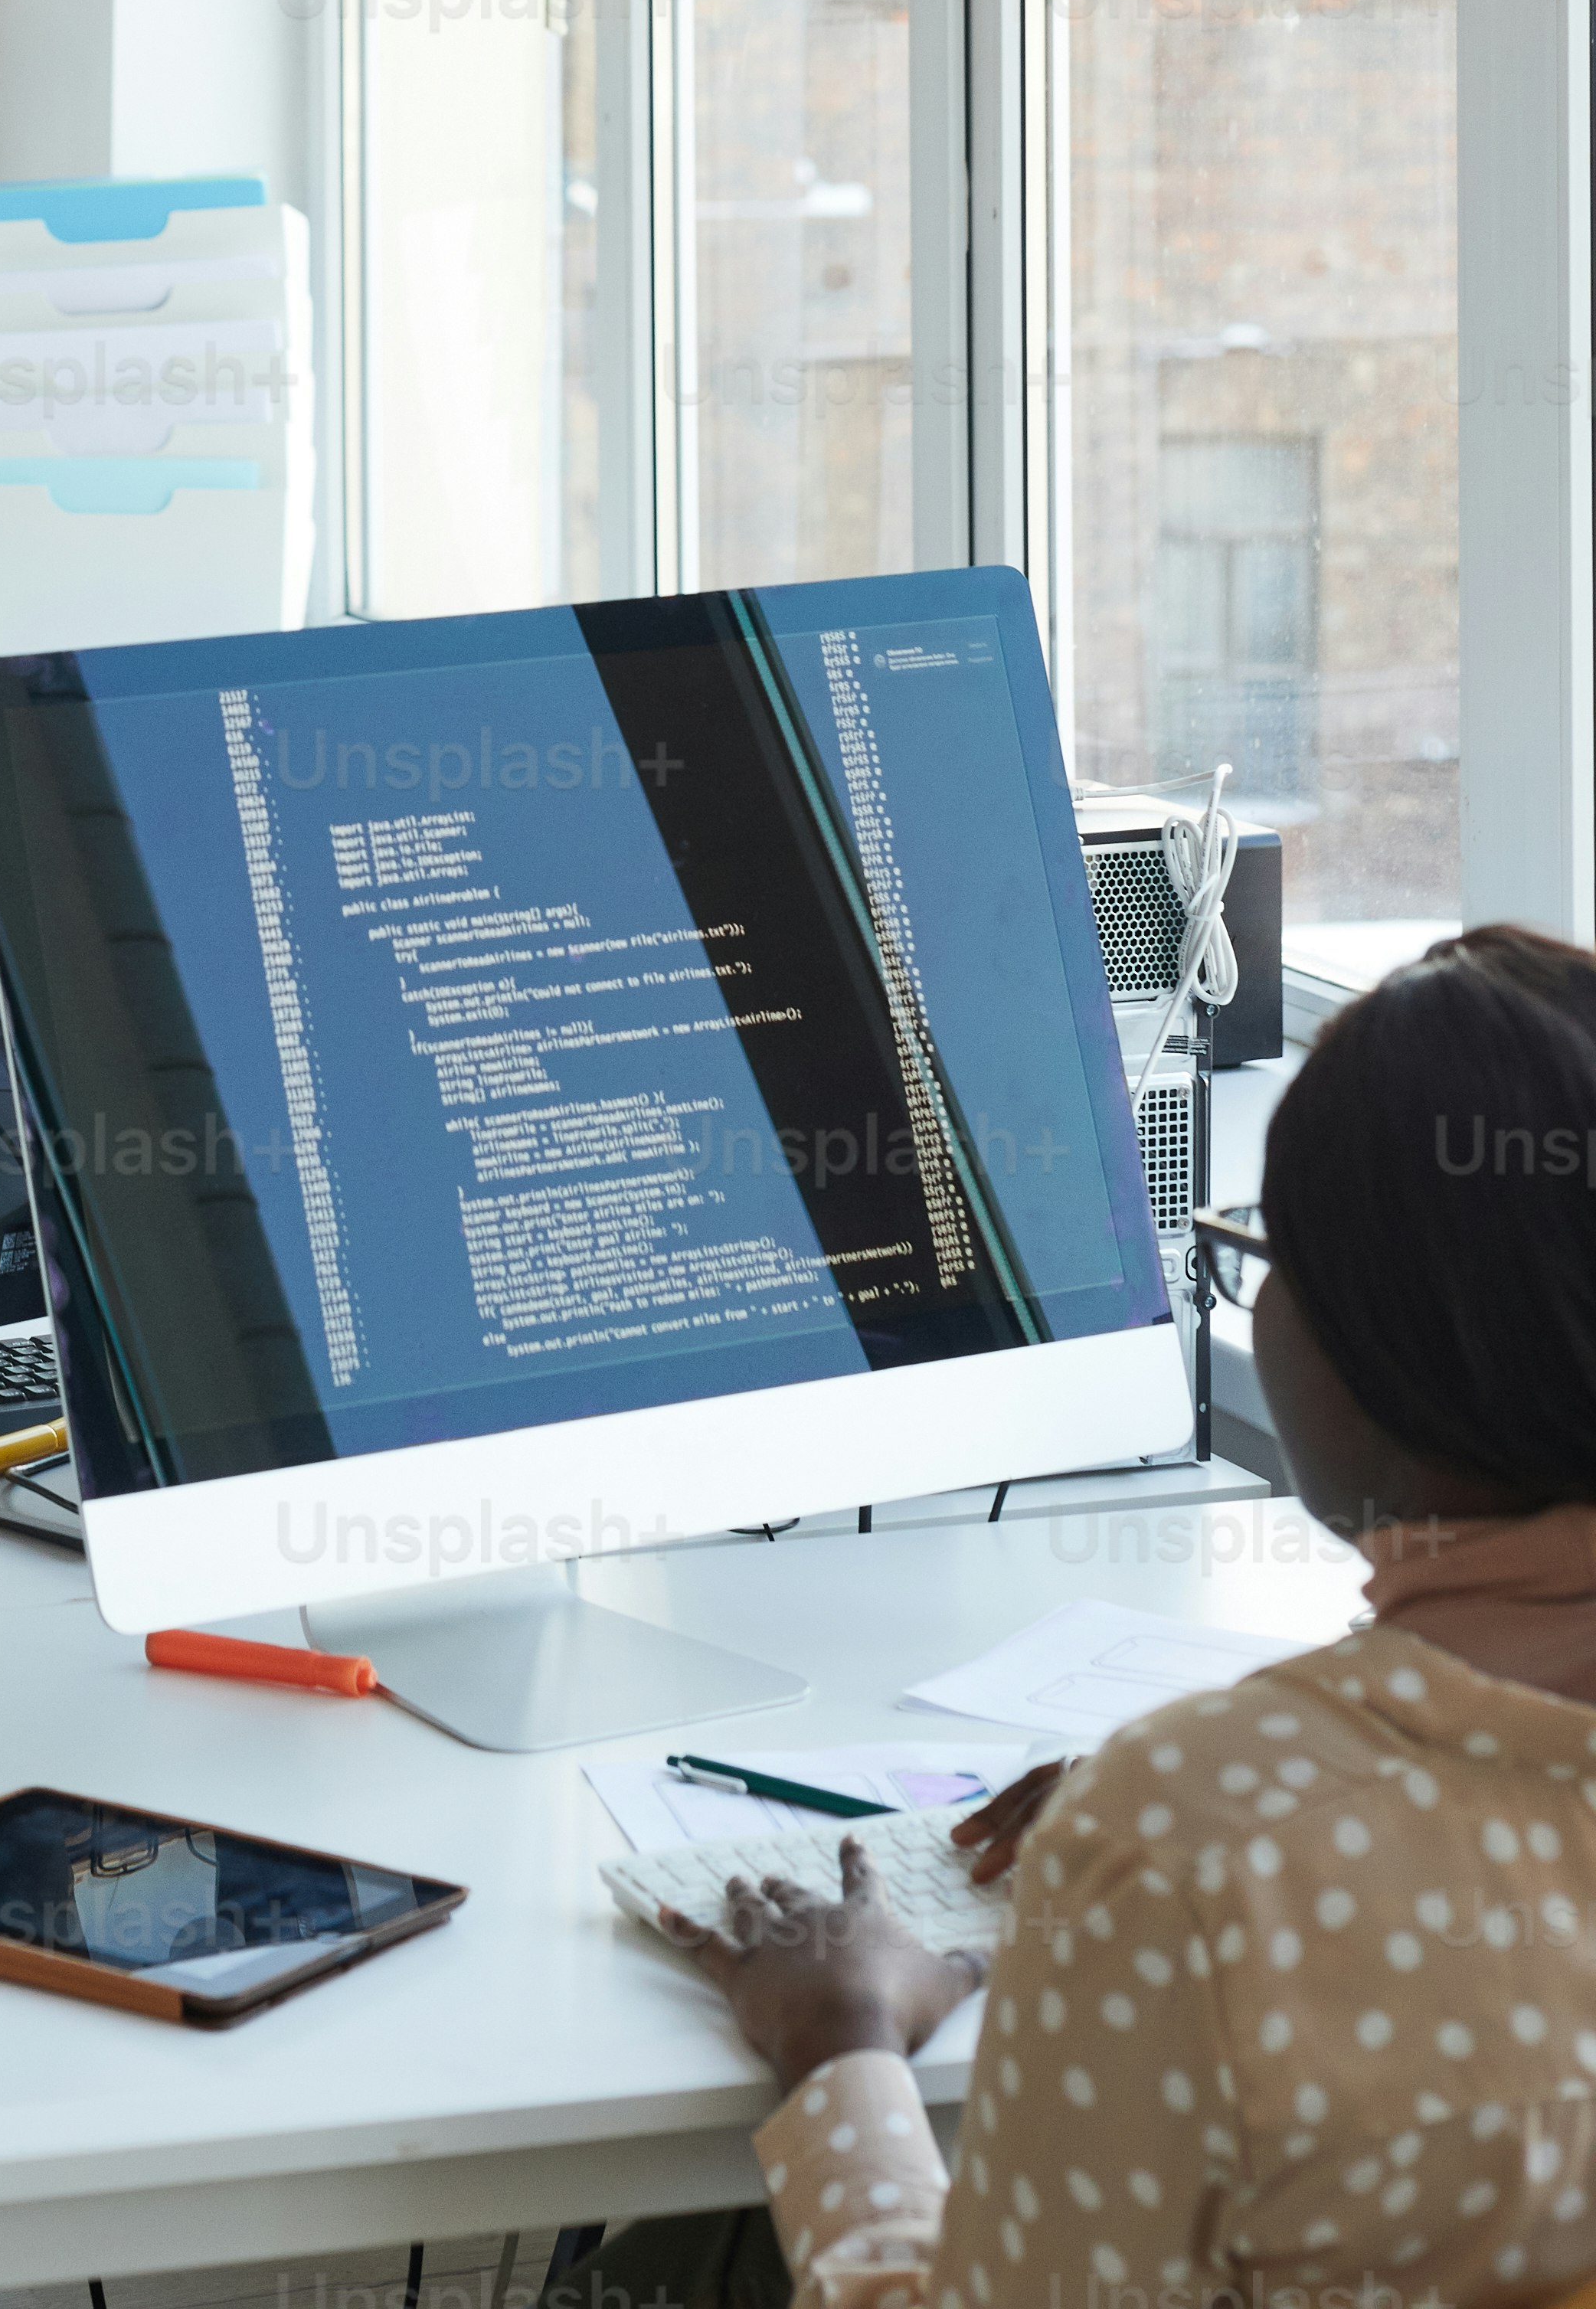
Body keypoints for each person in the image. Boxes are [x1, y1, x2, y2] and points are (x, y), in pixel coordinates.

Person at [656, 924, 1596, 2309]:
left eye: (1270, 1250)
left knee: (685, 2259)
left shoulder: (1192, 1843)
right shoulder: (1203, 1819)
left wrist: (841, 2047)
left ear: (1380, 1339)